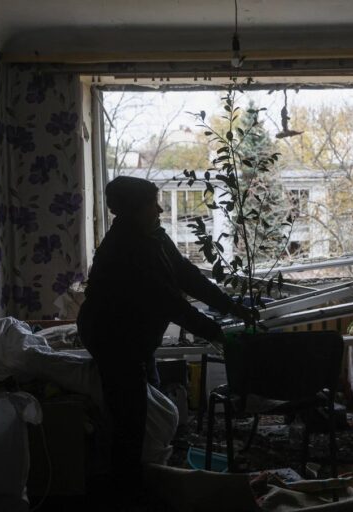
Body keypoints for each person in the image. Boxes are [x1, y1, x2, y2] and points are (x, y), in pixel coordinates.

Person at [77, 176, 252, 504]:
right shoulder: (126, 248)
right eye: (152, 203)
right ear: (132, 209)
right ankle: (126, 492)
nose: (159, 208)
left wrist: (230, 306)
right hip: (112, 338)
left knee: (147, 407)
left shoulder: (153, 236)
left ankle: (146, 472)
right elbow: (170, 302)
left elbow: (187, 275)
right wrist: (217, 334)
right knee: (129, 419)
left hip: (136, 337)